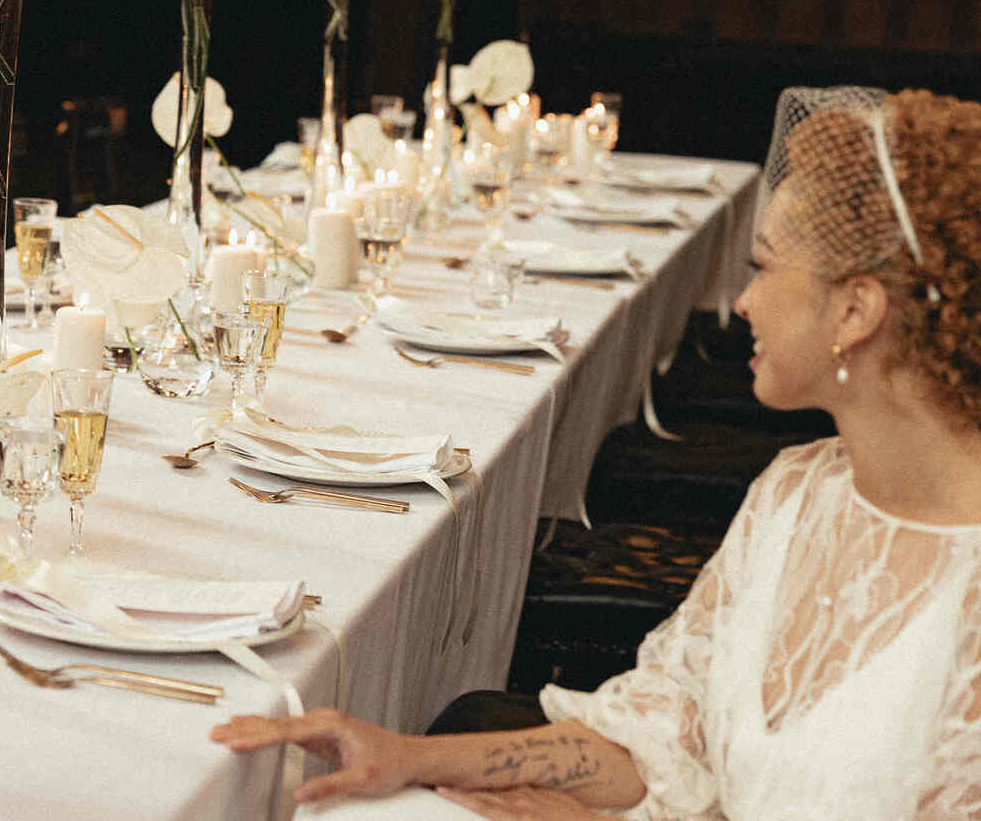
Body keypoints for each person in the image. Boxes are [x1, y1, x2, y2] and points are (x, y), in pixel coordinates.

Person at [211, 87, 981, 818]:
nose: (742, 301)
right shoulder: (796, 495)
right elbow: (657, 740)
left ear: (855, 309)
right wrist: (409, 757)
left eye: (764, 266)